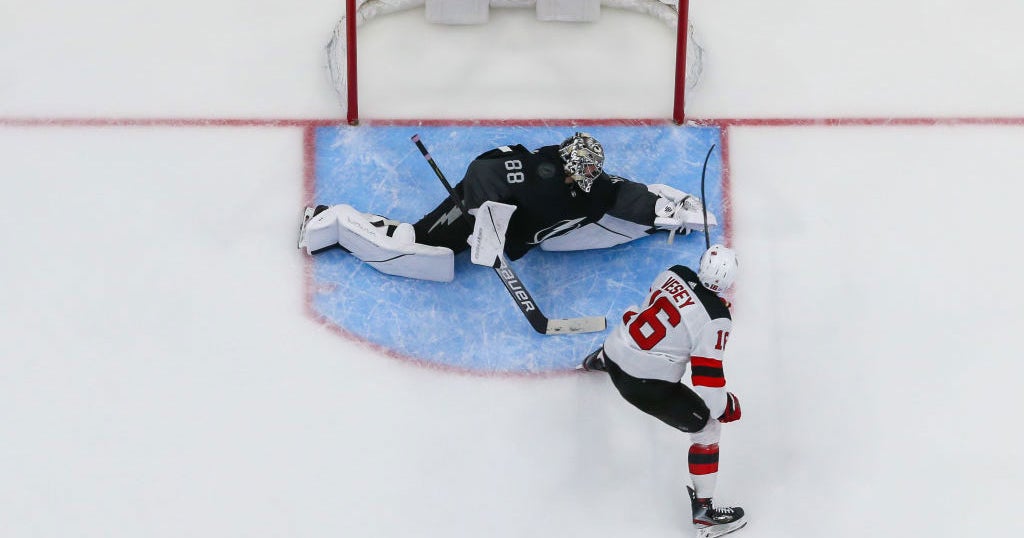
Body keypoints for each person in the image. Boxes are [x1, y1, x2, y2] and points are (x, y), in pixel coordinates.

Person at [296, 132, 717, 282]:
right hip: (478, 207)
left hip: (529, 230)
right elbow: (484, 169)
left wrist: (663, 211)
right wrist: (485, 224)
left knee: (616, 224)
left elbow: (618, 191)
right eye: (586, 170)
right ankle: (332, 221)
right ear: (570, 166)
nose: (592, 176)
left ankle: (667, 209)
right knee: (421, 248)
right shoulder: (530, 176)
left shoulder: (588, 183)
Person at [581, 244, 746, 538]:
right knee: (708, 430)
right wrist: (727, 406)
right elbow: (708, 389)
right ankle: (705, 515)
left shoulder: (674, 272)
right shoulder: (717, 319)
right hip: (639, 384)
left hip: (614, 349)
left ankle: (601, 361)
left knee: (637, 324)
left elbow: (661, 313)